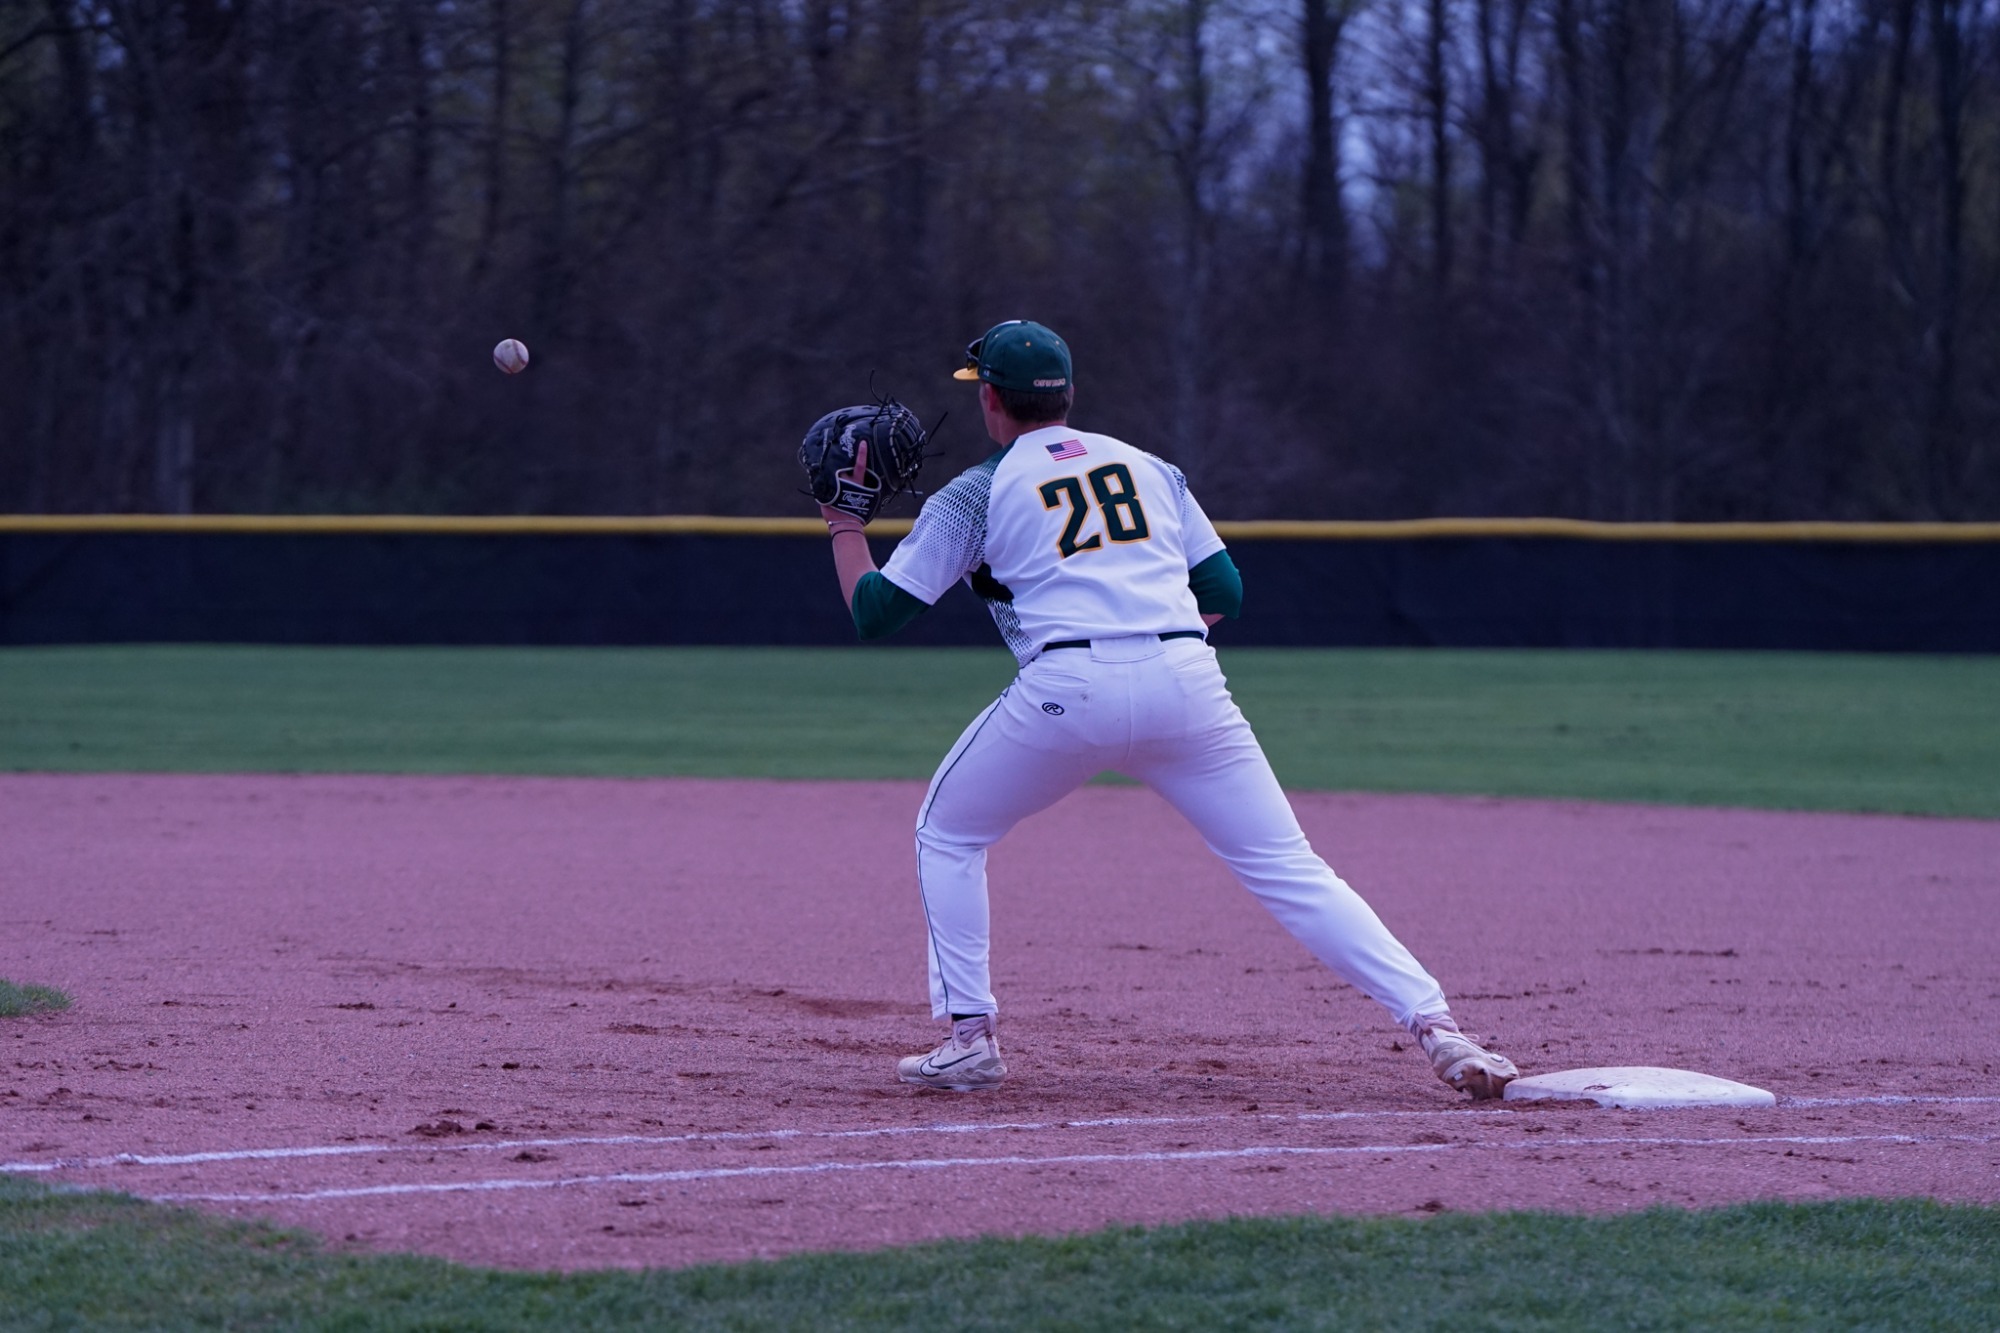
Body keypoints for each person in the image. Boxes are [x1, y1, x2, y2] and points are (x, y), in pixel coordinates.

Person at [813, 319, 1519, 1099]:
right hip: (1189, 682)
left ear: (989, 401)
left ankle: (972, 1038)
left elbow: (877, 612)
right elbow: (1225, 592)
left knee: (948, 832)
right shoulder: (1152, 468)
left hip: (1067, 690)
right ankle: (1438, 1026)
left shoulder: (977, 490)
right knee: (1289, 866)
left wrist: (845, 522)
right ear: (1070, 395)